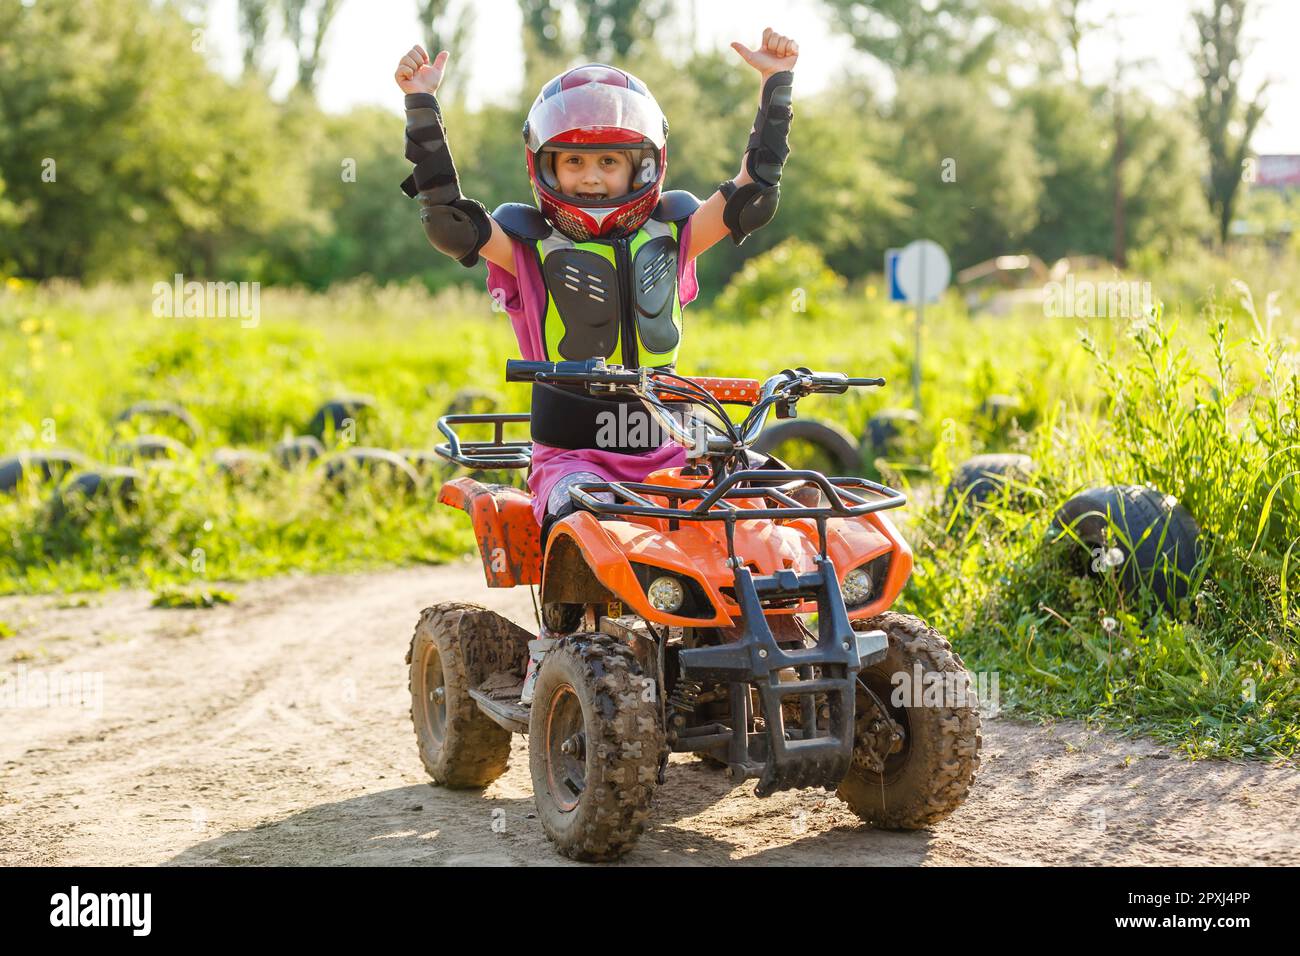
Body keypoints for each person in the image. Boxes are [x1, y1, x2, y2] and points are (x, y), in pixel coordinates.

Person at [395, 30, 799, 703]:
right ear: (544, 169)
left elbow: (751, 197)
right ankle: (557, 657)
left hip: (665, 441)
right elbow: (450, 223)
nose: (591, 178)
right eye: (574, 164)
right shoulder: (525, 245)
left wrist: (775, 87)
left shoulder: (672, 233)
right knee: (583, 519)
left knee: (764, 492)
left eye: (609, 162)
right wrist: (421, 109)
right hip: (574, 453)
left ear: (645, 166)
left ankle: (775, 642)